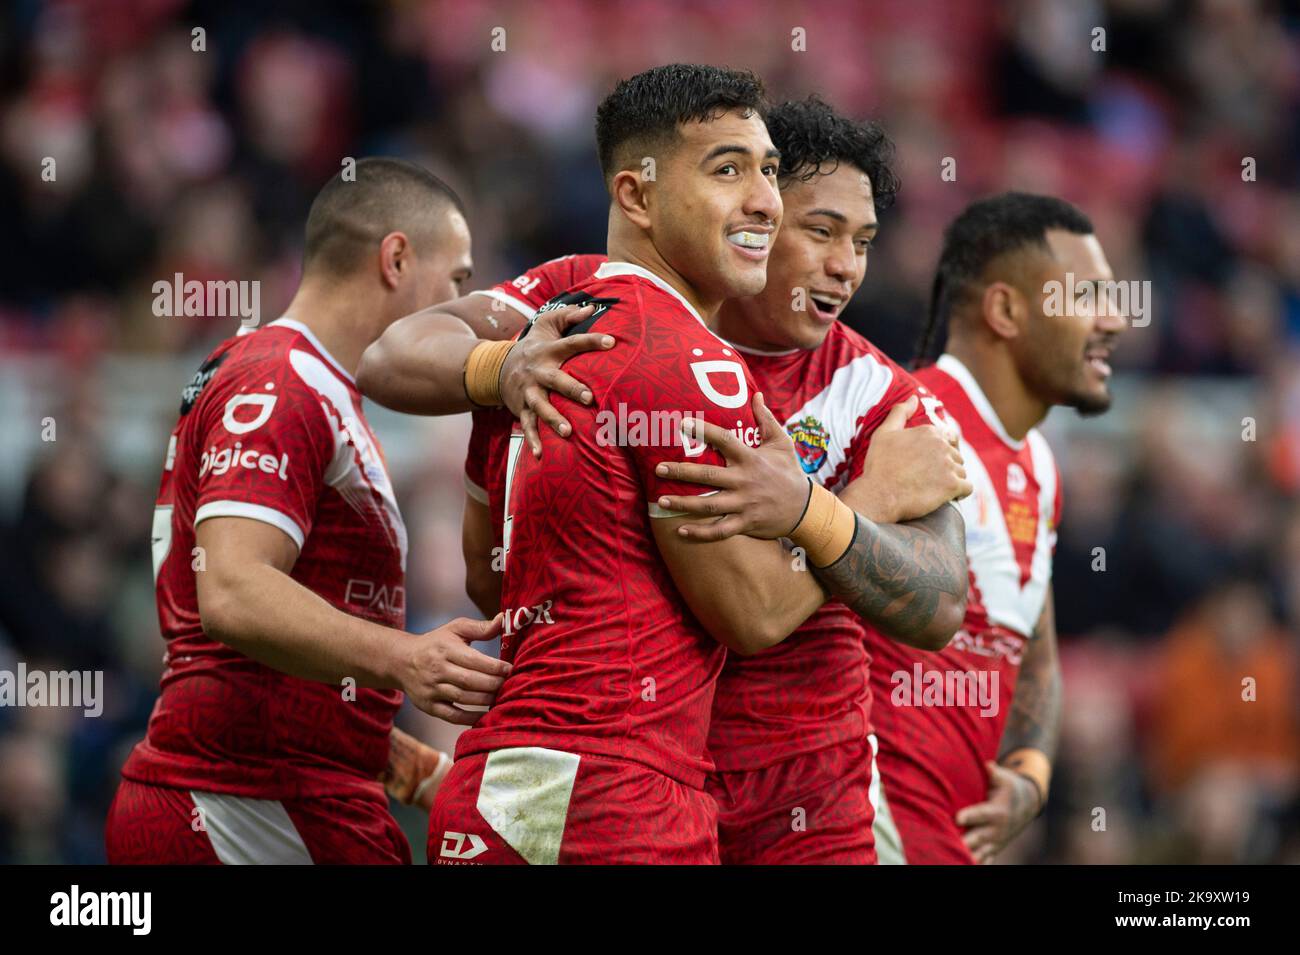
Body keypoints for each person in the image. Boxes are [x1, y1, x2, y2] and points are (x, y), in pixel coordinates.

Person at [359, 86, 971, 863]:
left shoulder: (880, 396)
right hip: (635, 782)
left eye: (864, 241)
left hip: (800, 800)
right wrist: (501, 367)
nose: (844, 267)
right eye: (819, 229)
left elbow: (940, 598)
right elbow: (394, 359)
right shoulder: (582, 305)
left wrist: (821, 511)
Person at [106, 158, 508, 864]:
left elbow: (273, 667)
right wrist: (408, 655)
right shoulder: (280, 380)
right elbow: (233, 593)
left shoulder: (309, 385)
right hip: (240, 809)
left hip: (272, 797)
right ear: (396, 258)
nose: (459, 308)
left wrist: (412, 769)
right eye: (457, 281)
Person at [870, 192, 1125, 863]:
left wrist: (1033, 772)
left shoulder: (1040, 461)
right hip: (864, 832)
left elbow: (1034, 648)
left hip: (953, 842)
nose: (1117, 319)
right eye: (1088, 296)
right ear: (1006, 310)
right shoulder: (902, 418)